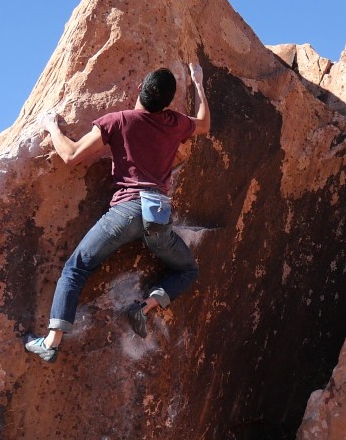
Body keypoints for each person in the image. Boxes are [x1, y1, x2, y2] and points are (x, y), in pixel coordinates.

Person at [24, 63, 210, 362]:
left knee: (76, 268)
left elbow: (70, 155)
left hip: (125, 213)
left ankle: (51, 342)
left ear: (140, 89)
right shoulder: (174, 123)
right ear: (167, 103)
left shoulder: (119, 121)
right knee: (188, 270)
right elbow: (203, 124)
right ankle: (145, 307)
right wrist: (199, 84)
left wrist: (52, 127)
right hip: (158, 218)